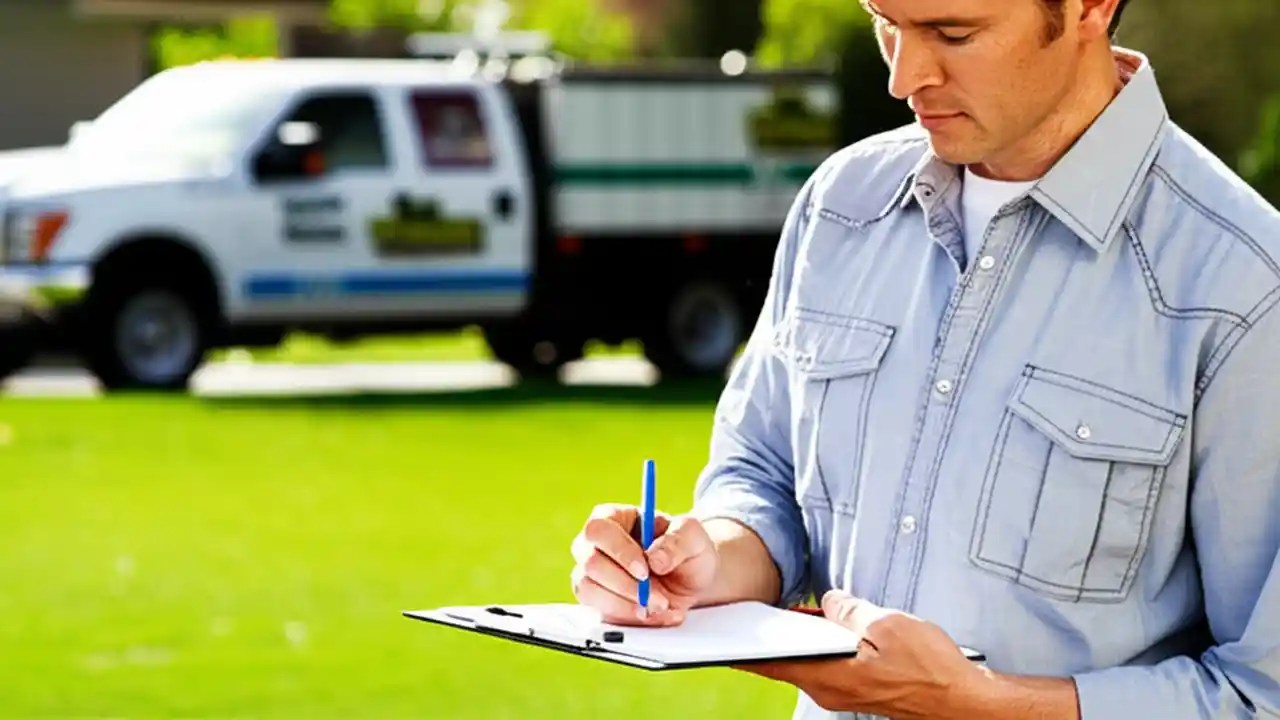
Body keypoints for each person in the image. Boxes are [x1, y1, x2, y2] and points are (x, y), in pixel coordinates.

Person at [569, 0, 1280, 717]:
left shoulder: (1242, 284)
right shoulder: (840, 207)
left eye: (952, 33)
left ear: (1089, 8)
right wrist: (704, 560)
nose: (903, 77)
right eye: (887, 22)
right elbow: (764, 472)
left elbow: (1262, 692)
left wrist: (981, 703)